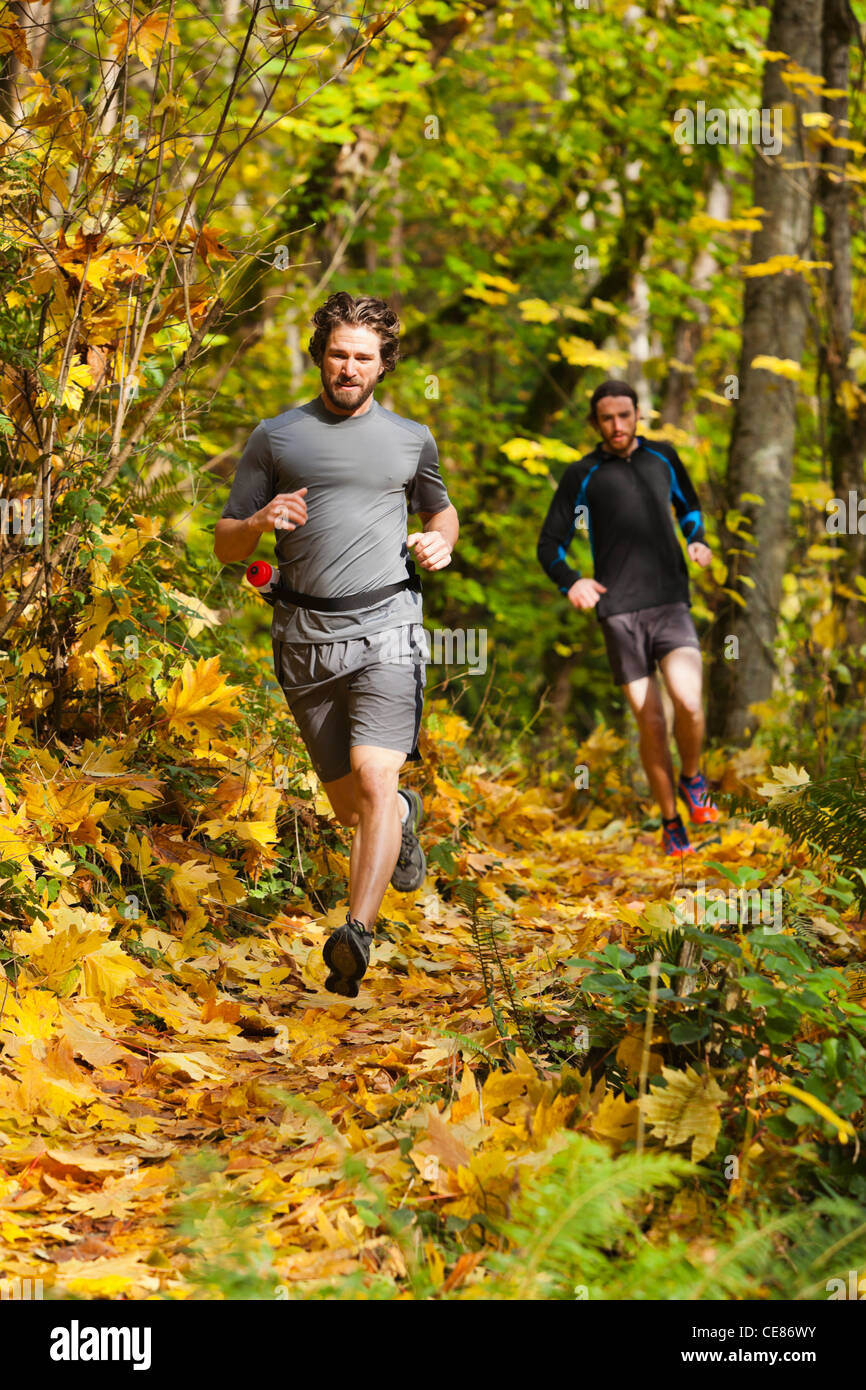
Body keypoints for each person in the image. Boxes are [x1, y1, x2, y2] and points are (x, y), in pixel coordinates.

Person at [214, 291, 459, 993]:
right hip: (302, 637)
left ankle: (357, 932)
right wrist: (259, 520)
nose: (347, 367)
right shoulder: (276, 437)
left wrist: (437, 543)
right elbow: (225, 545)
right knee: (354, 807)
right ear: (320, 356)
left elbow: (441, 511)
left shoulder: (411, 439)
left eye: (362, 357)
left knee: (378, 776)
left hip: (387, 627)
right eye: (337, 354)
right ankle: (402, 822)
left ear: (384, 365)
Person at [536, 379, 718, 857]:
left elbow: (690, 509)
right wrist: (572, 581)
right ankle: (671, 821)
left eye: (624, 415)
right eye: (607, 418)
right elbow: (549, 543)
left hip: (670, 602)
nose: (617, 425)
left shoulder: (663, 457)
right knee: (652, 724)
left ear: (638, 414)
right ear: (596, 423)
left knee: (690, 703)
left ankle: (692, 777)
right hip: (618, 614)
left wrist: (695, 539)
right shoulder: (584, 473)